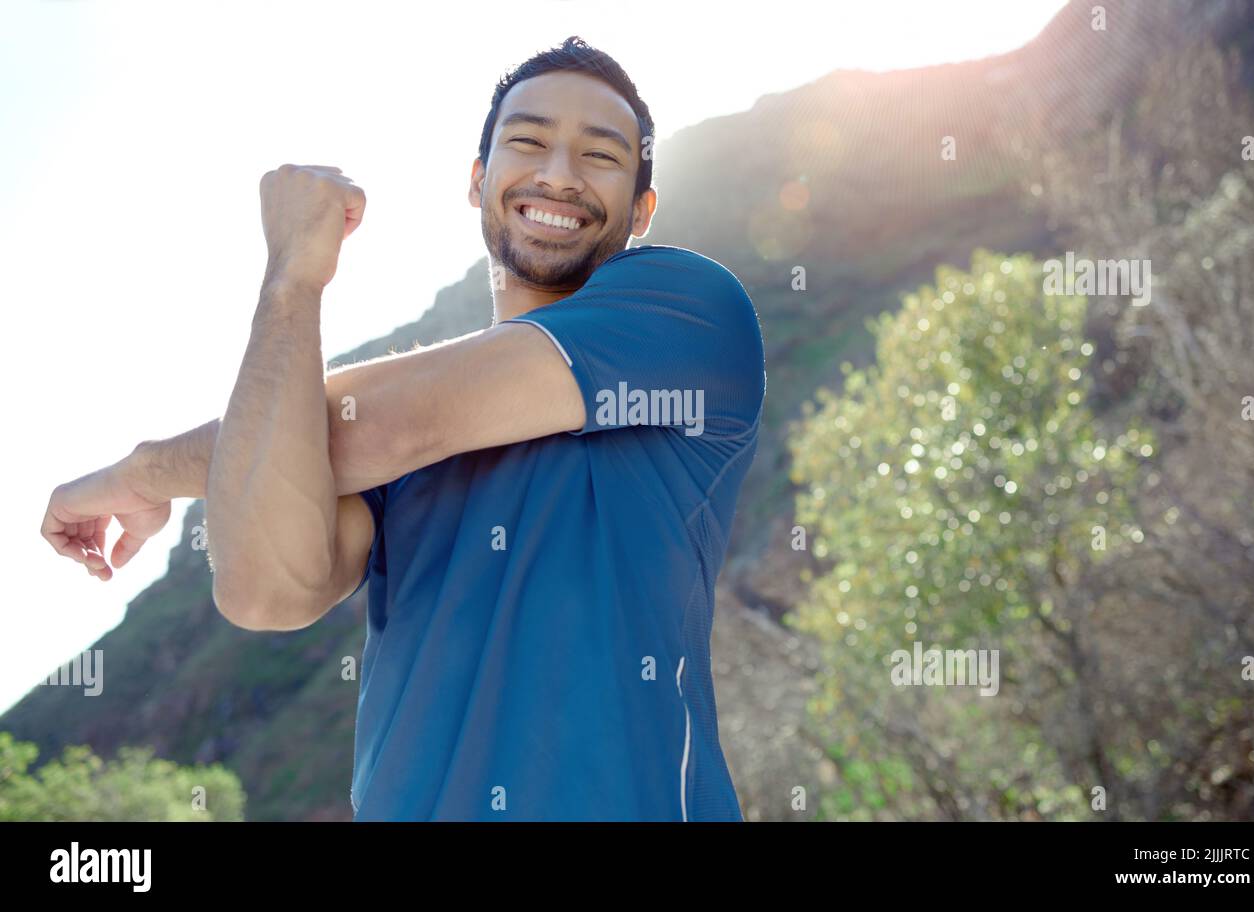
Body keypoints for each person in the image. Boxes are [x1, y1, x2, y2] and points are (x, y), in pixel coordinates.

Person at [40, 36, 765, 822]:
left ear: (642, 209)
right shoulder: (390, 427)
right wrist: (293, 277)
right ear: (479, 179)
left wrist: (145, 472)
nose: (557, 173)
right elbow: (262, 589)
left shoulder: (688, 309)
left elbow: (375, 427)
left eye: (600, 155)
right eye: (528, 141)